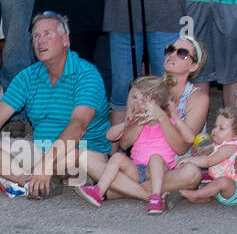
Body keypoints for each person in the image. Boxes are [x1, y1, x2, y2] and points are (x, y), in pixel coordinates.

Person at [0, 12, 110, 199]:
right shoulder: (29, 75)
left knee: (75, 157)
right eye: (36, 36)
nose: (40, 41)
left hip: (80, 152)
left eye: (47, 34)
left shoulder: (86, 74)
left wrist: (45, 166)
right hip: (41, 151)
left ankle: (24, 177)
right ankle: (27, 183)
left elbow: (78, 126)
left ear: (65, 39)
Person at [76, 76, 185, 213]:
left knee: (155, 158)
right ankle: (99, 191)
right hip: (137, 170)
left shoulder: (168, 122)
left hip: (160, 170)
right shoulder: (135, 122)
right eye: (132, 98)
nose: (133, 103)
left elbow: (181, 146)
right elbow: (116, 139)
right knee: (117, 157)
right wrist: (129, 124)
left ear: (154, 101)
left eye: (137, 98)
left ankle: (155, 197)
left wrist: (162, 118)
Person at [176, 105, 237, 206]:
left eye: (221, 128)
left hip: (236, 189)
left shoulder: (231, 147)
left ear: (236, 135)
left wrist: (189, 160)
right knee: (213, 184)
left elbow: (209, 161)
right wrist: (197, 154)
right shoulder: (218, 145)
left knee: (222, 182)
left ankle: (196, 194)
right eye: (215, 126)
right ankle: (202, 198)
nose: (215, 131)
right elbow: (206, 157)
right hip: (219, 186)